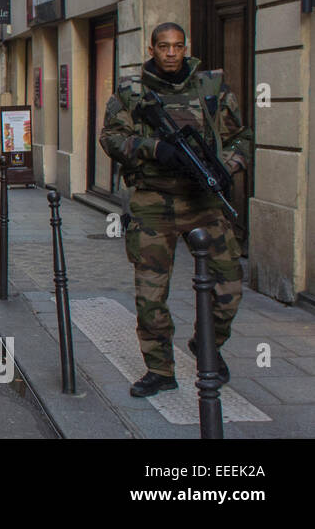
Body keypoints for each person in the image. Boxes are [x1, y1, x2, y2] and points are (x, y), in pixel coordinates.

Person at [100, 22, 252, 398]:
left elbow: (240, 138)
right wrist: (156, 150)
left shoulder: (210, 87)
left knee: (229, 286)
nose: (171, 53)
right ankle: (160, 370)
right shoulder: (132, 91)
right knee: (151, 295)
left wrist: (226, 168)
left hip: (204, 199)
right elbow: (111, 137)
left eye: (178, 46)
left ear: (186, 49)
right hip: (153, 202)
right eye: (164, 46)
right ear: (152, 48)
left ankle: (206, 345)